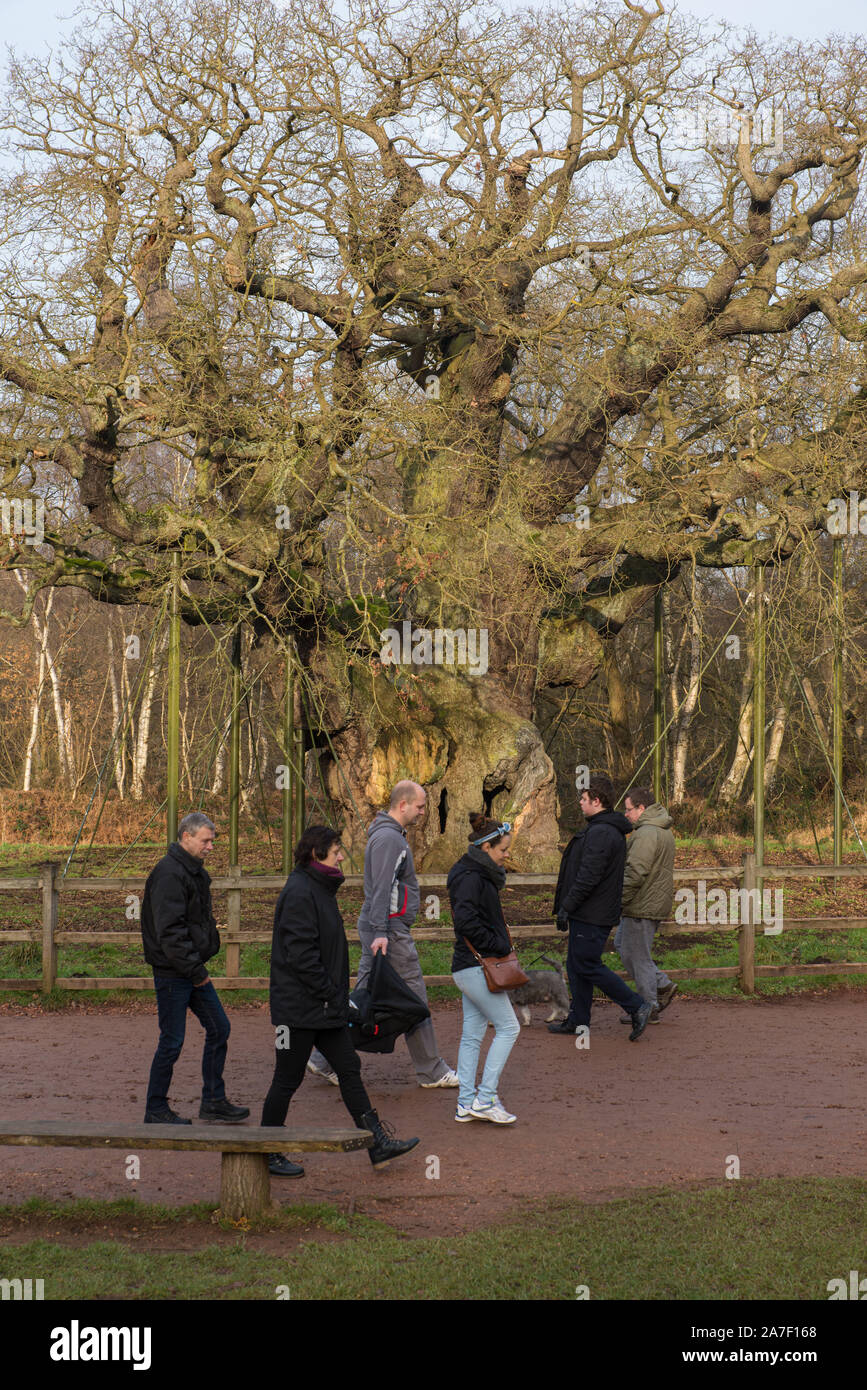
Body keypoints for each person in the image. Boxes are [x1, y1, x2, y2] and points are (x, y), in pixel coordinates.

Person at [262, 824, 419, 1176]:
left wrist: (335, 1000)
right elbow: (301, 957)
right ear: (318, 853)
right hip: (300, 1011)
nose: (341, 855)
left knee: (349, 1069)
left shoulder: (318, 888)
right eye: (336, 850)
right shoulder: (300, 892)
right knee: (286, 1079)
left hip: (323, 1008)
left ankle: (376, 1143)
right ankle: (267, 1151)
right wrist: (334, 996)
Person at [308, 780, 458, 1089]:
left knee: (364, 998)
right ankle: (431, 1070)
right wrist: (381, 931)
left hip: (382, 928)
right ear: (402, 805)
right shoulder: (389, 839)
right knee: (414, 996)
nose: (422, 812)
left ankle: (325, 1058)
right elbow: (380, 888)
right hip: (389, 931)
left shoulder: (388, 835)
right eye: (419, 806)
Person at [141, 812, 250, 1124]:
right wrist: (197, 971)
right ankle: (156, 1108)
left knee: (219, 1028)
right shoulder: (169, 875)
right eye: (206, 840)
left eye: (212, 841)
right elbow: (170, 933)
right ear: (186, 837)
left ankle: (213, 1100)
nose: (211, 846)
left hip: (189, 968)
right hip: (175, 972)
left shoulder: (190, 872)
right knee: (172, 1040)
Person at [548, 776, 653, 1041]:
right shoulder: (601, 829)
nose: (580, 804)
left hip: (592, 912)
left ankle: (637, 1005)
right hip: (588, 911)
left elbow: (588, 876)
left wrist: (566, 906)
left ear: (596, 801)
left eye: (583, 800)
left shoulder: (602, 832)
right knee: (576, 965)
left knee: (586, 964)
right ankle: (578, 1020)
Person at [447, 813, 521, 1124]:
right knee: (509, 1028)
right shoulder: (471, 877)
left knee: (472, 1035)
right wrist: (499, 946)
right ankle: (485, 1098)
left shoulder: (473, 872)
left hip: (470, 965)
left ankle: (466, 1103)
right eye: (503, 849)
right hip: (475, 966)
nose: (507, 855)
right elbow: (467, 923)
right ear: (487, 847)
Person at [615, 787, 678, 1024]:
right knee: (624, 946)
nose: (626, 815)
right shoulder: (661, 830)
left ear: (641, 809)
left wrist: (618, 900)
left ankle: (648, 1007)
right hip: (651, 902)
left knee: (636, 955)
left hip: (641, 904)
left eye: (629, 809)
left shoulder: (646, 834)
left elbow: (636, 872)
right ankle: (661, 984)